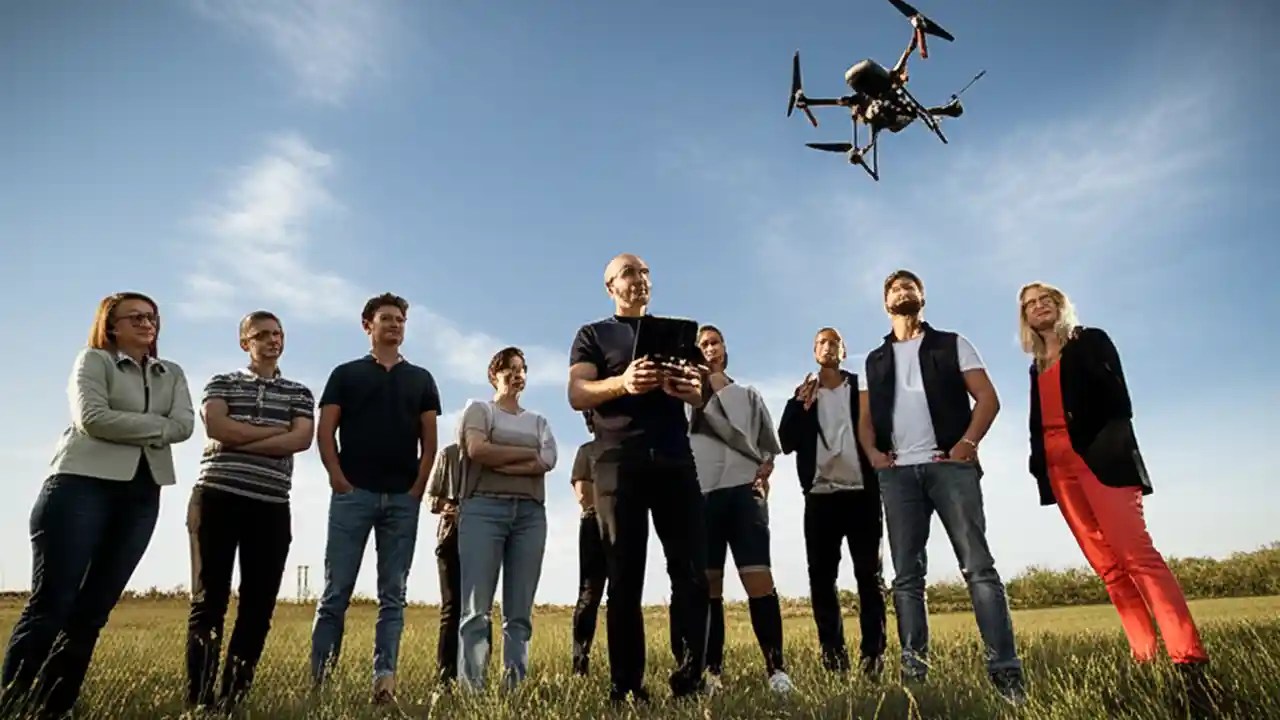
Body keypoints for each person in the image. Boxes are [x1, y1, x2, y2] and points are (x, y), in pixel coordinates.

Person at [1019, 282, 1215, 709]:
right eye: (1030, 304)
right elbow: (1037, 422)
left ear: (1061, 306)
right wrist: (1041, 466)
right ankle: (1144, 656)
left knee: (1137, 557)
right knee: (1108, 569)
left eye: (1046, 299)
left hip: (1100, 459)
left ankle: (1189, 661)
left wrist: (1083, 435)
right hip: (1059, 470)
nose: (1039, 306)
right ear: (1025, 318)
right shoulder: (1036, 366)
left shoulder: (1090, 341)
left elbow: (1117, 401)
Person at [0, 292, 194, 719]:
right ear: (112, 326)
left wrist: (148, 427)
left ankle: (54, 708)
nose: (148, 323)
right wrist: (156, 427)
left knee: (92, 613)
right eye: (136, 317)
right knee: (52, 605)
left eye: (153, 317)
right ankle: (13, 706)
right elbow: (93, 418)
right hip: (79, 487)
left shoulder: (172, 373)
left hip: (143, 494)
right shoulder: (93, 361)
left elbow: (184, 426)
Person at [855, 270, 1026, 705]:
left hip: (950, 469)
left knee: (978, 568)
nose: (902, 291)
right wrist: (874, 455)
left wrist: (967, 444)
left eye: (909, 285)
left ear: (923, 296)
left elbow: (987, 398)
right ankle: (916, 677)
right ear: (885, 303)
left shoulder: (952, 344)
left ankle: (1005, 674)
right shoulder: (873, 361)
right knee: (906, 578)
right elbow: (865, 419)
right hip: (897, 477)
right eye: (894, 288)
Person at [566, 252, 709, 704]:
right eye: (629, 272)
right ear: (610, 286)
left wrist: (693, 391)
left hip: (674, 459)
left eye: (645, 271)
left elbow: (702, 391)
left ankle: (689, 681)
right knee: (624, 577)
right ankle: (627, 687)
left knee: (690, 573)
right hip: (617, 462)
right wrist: (623, 383)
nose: (640, 279)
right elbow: (577, 392)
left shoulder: (677, 333)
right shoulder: (592, 334)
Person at [310, 292, 441, 705]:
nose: (395, 325)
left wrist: (418, 489)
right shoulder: (345, 374)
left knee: (393, 596)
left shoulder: (421, 378)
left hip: (402, 500)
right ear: (368, 325)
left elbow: (430, 443)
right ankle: (321, 684)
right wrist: (338, 479)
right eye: (386, 318)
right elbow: (324, 432)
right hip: (354, 496)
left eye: (400, 319)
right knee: (336, 594)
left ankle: (384, 684)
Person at [186, 310, 315, 710]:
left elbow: (301, 440)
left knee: (258, 607)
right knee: (209, 602)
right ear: (246, 341)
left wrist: (240, 441)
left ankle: (234, 698)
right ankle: (200, 699)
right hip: (217, 498)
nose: (272, 340)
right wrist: (276, 434)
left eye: (278, 334)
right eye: (262, 334)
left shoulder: (299, 392)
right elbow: (217, 429)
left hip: (271, 506)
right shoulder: (221, 381)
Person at [777, 326, 887, 679]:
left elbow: (880, 429)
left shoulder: (862, 389)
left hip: (861, 495)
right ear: (814, 352)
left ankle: (873, 657)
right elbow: (786, 442)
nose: (828, 347)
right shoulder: (803, 394)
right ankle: (833, 659)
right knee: (822, 580)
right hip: (820, 497)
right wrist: (799, 405)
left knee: (869, 577)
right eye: (821, 343)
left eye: (834, 342)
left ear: (844, 350)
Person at [688, 325, 792, 693]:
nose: (709, 348)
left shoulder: (748, 394)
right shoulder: (686, 400)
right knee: (710, 586)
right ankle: (713, 672)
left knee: (758, 579)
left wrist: (764, 471)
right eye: (702, 345)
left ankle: (777, 670)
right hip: (703, 497)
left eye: (714, 342)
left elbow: (767, 448)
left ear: (724, 348)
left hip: (743, 496)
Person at [455, 347, 557, 690]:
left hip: (529, 514)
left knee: (519, 612)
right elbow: (477, 450)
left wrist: (501, 461)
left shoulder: (539, 421)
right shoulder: (479, 409)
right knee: (476, 609)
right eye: (508, 369)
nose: (516, 374)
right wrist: (527, 455)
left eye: (521, 369)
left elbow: (549, 459)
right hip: (484, 509)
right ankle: (473, 690)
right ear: (493, 375)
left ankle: (513, 686)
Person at [569, 411, 607, 677]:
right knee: (590, 593)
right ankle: (580, 662)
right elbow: (583, 494)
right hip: (595, 525)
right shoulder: (587, 451)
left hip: (625, 525)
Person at [425, 440, 462, 687]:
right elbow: (430, 497)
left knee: (480, 610)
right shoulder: (449, 454)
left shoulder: (492, 453)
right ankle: (445, 679)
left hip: (485, 538)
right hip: (451, 536)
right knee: (451, 608)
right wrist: (446, 506)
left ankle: (474, 676)